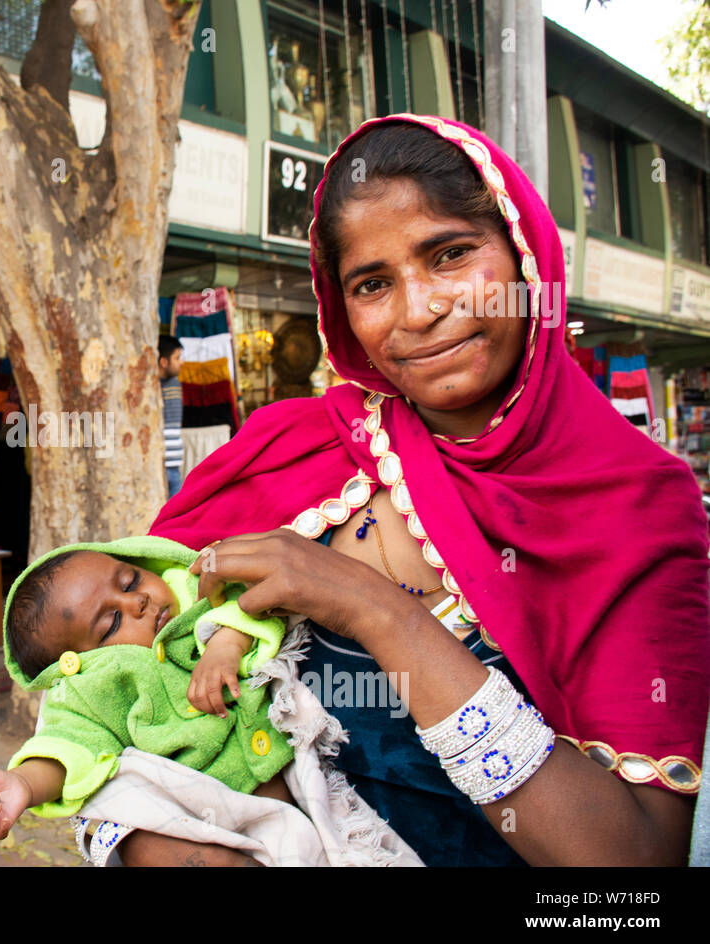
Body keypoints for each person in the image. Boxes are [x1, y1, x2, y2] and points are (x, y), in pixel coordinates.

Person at [73, 114, 710, 867]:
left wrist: (371, 609)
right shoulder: (296, 446)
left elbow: (629, 879)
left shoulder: (635, 504)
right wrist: (153, 837)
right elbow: (106, 677)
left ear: (524, 253)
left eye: (451, 254)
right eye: (373, 284)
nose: (419, 309)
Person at [0, 535, 298, 838]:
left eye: (130, 580)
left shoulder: (196, 587)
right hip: (213, 813)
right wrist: (24, 783)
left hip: (294, 758)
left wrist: (227, 641)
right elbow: (69, 741)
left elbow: (252, 599)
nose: (137, 602)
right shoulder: (98, 685)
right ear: (82, 662)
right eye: (113, 622)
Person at [159, 335, 184, 497]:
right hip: (160, 465)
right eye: (177, 358)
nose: (181, 362)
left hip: (175, 466)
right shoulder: (152, 385)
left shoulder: (175, 383)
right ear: (164, 362)